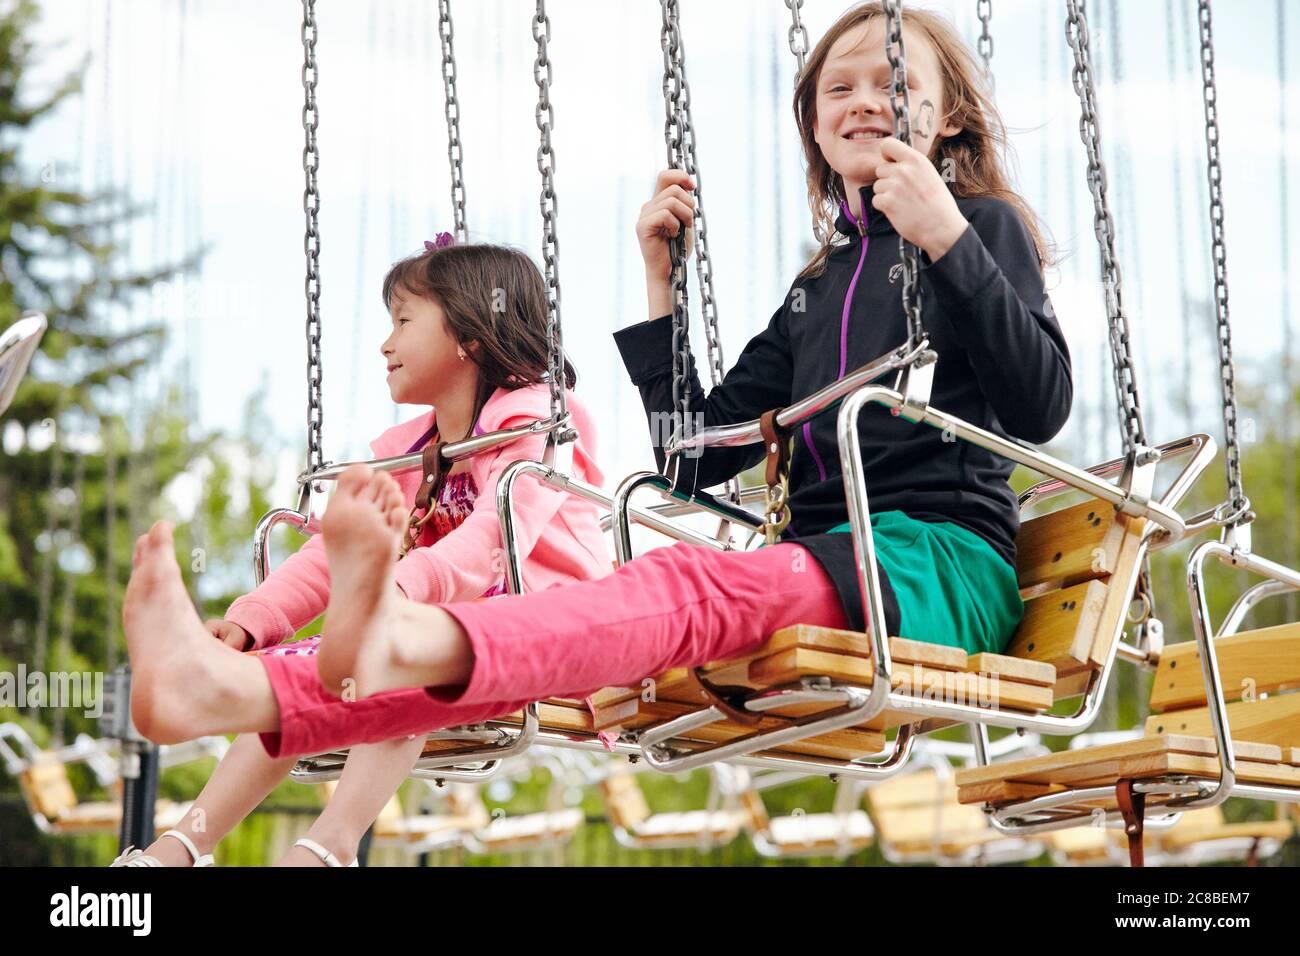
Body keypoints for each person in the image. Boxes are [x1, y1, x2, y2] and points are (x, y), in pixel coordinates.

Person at [119, 2, 1070, 770]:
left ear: (945, 117)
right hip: (830, 565)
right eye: (840, 87)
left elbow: (1040, 406)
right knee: (576, 628)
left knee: (681, 584)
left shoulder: (983, 229)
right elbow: (693, 459)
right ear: (817, 127)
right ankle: (232, 691)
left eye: (894, 83)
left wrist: (945, 236)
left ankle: (378, 647)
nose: (865, 100)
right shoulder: (816, 289)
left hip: (939, 566)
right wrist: (662, 289)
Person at [111, 238, 607, 867]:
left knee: (401, 650)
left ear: (470, 337)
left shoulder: (536, 424)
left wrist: (389, 595)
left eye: (403, 321)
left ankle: (330, 845)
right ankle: (181, 846)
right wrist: (250, 620)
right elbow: (329, 555)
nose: (386, 343)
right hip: (440, 627)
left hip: (557, 626)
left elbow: (494, 540)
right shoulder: (408, 450)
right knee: (294, 671)